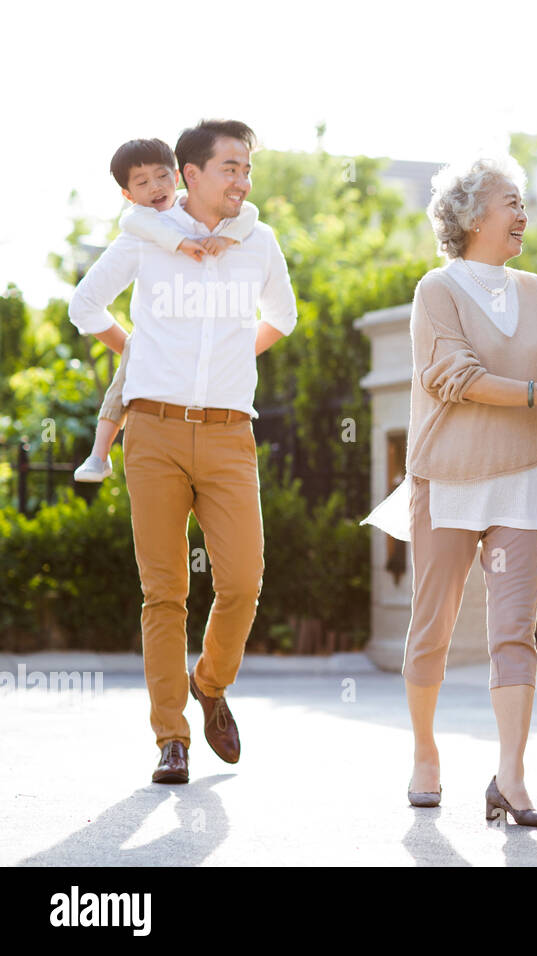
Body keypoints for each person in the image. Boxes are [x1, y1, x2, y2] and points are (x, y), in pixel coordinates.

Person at [373, 155, 537, 827]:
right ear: (475, 214)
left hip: (523, 476)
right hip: (448, 480)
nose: (523, 213)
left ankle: (511, 777)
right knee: (434, 627)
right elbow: (457, 376)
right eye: (512, 201)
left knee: (515, 631)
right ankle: (425, 753)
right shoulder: (437, 291)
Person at [68, 119, 297, 784]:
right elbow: (86, 305)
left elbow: (282, 316)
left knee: (243, 583)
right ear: (189, 173)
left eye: (247, 169)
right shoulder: (142, 238)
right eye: (230, 167)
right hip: (154, 433)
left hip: (230, 434)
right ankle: (171, 738)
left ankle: (210, 681)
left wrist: (232, 356)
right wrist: (137, 352)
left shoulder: (259, 243)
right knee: (164, 593)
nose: (242, 180)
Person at [74, 138, 260, 483]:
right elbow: (83, 305)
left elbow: (250, 213)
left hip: (220, 411)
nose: (155, 187)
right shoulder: (138, 224)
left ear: (178, 176)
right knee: (120, 387)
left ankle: (99, 456)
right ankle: (99, 456)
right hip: (156, 406)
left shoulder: (212, 215)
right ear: (128, 195)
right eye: (142, 183)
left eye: (161, 177)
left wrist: (225, 239)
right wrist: (131, 345)